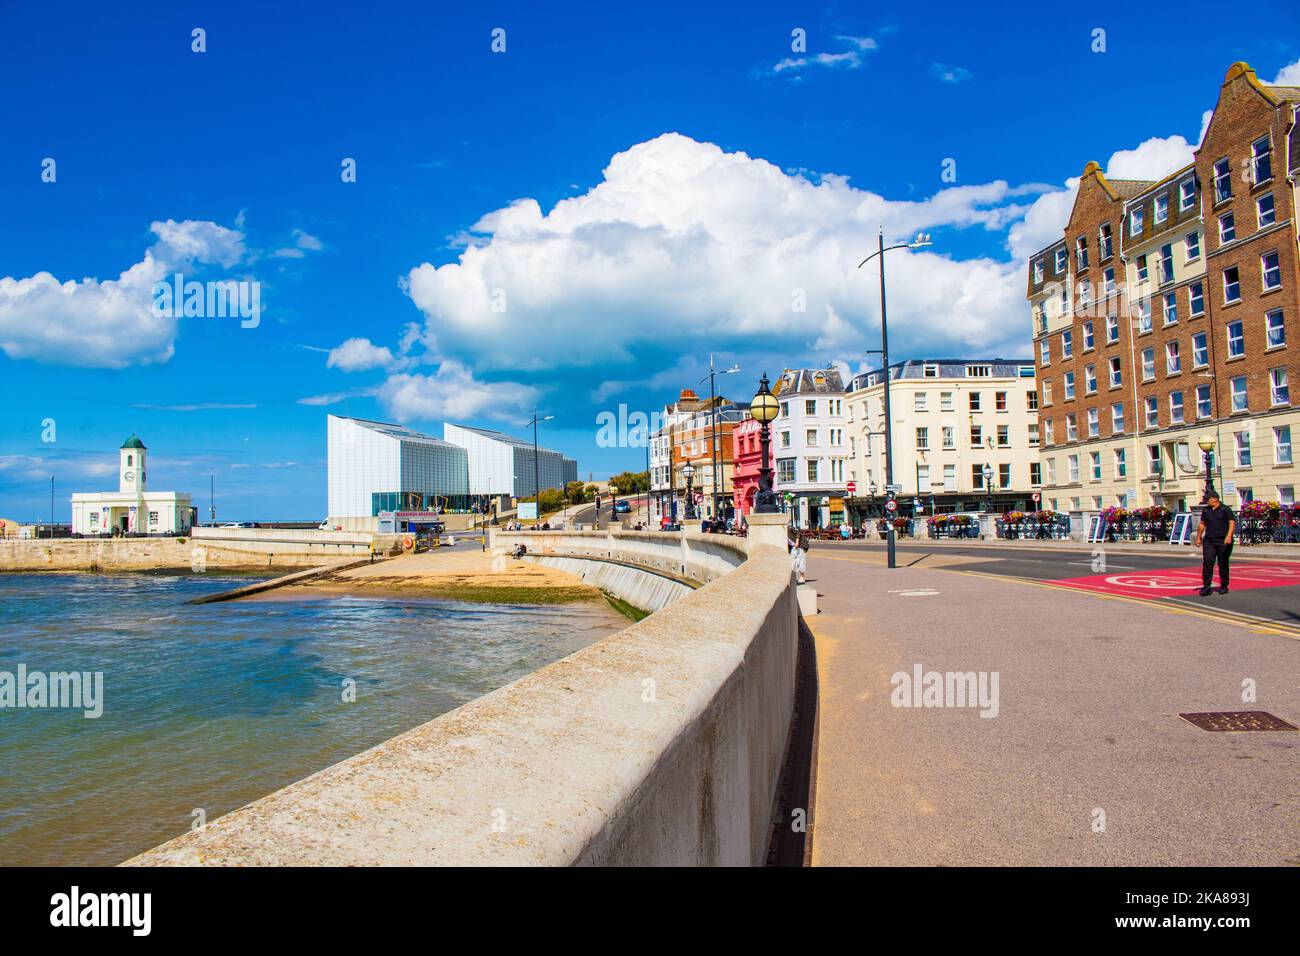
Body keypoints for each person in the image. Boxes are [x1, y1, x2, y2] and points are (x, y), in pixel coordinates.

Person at [1194, 492, 1236, 595]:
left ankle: (1224, 585)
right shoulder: (1206, 510)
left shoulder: (1225, 509)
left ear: (1214, 499)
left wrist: (1229, 536)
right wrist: (1198, 537)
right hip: (1209, 541)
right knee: (1208, 562)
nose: (1206, 501)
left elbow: (1232, 522)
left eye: (1207, 499)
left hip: (1223, 541)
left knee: (1223, 563)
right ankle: (1207, 586)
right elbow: (1202, 524)